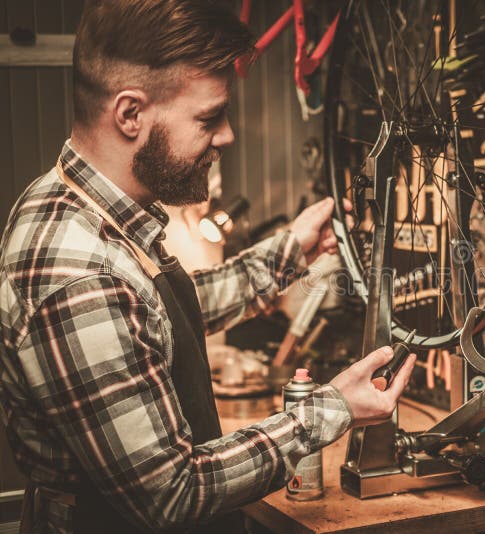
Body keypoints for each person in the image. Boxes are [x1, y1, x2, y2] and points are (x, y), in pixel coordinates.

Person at [0, 1, 416, 532]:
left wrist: (288, 253)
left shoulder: (81, 202)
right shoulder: (76, 272)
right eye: (208, 117)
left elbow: (153, 318)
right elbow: (171, 492)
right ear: (130, 114)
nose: (227, 136)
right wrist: (329, 410)